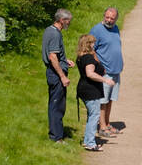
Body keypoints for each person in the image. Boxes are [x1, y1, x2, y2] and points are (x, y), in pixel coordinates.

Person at [75, 34, 115, 151]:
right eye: (92, 43)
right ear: (88, 44)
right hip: (90, 90)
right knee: (94, 116)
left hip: (84, 88)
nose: (94, 45)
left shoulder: (81, 57)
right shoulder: (88, 58)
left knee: (91, 116)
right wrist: (105, 80)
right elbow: (90, 73)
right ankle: (90, 143)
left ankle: (88, 140)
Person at [89, 7, 123, 136]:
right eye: (107, 17)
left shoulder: (116, 29)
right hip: (105, 72)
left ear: (116, 19)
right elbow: (90, 48)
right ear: (104, 16)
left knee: (110, 99)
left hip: (116, 70)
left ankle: (107, 124)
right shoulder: (97, 30)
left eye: (112, 18)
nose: (109, 20)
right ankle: (101, 127)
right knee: (103, 101)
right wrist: (98, 65)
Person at [43, 9, 74, 142]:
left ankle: (56, 134)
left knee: (55, 104)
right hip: (55, 74)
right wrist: (62, 76)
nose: (69, 23)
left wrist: (65, 60)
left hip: (53, 72)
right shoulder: (55, 34)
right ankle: (56, 137)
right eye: (68, 21)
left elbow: (54, 53)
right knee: (57, 106)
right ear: (62, 20)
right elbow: (52, 56)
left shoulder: (48, 30)